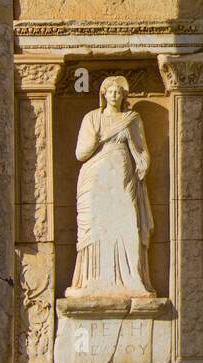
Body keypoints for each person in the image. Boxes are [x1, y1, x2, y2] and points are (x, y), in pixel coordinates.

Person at [66, 75, 155, 297]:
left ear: (124, 95)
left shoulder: (131, 118)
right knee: (96, 228)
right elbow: (80, 153)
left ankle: (131, 280)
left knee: (127, 223)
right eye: (111, 91)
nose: (115, 95)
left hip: (122, 177)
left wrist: (143, 165)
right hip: (96, 178)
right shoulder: (92, 119)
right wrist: (98, 139)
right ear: (103, 94)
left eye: (119, 92)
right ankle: (93, 280)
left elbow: (142, 150)